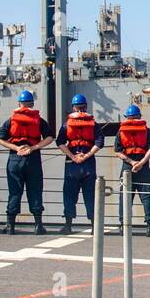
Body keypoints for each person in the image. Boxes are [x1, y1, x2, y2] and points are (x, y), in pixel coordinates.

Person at [0, 89, 54, 235]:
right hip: (32, 158)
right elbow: (49, 138)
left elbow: (0, 139)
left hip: (15, 159)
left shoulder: (11, 120)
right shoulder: (38, 120)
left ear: (19, 104)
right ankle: (38, 226)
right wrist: (33, 147)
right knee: (35, 190)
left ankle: (10, 226)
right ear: (32, 104)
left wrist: (16, 148)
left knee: (14, 192)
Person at [56, 94, 103, 234]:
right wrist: (87, 155)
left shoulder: (66, 125)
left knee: (69, 195)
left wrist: (73, 156)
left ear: (73, 107)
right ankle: (95, 226)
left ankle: (68, 225)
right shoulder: (94, 124)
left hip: (72, 164)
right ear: (86, 106)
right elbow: (99, 143)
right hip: (88, 164)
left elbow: (60, 142)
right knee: (91, 195)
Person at [116, 104, 150, 236]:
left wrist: (131, 162)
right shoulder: (147, 131)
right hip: (143, 167)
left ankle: (124, 226)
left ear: (127, 117)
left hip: (127, 168)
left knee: (125, 198)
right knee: (146, 198)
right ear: (139, 116)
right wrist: (141, 163)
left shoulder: (121, 132)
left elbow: (118, 151)